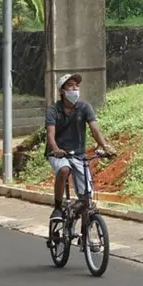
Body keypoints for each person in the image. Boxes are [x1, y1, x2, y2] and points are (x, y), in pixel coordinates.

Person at [45, 73, 113, 225]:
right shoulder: (53, 111)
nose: (75, 88)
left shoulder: (84, 107)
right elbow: (50, 134)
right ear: (62, 91)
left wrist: (105, 146)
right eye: (70, 85)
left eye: (77, 85)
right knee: (63, 170)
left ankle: (87, 236)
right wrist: (55, 148)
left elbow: (95, 130)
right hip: (59, 153)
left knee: (87, 200)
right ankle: (57, 207)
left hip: (78, 155)